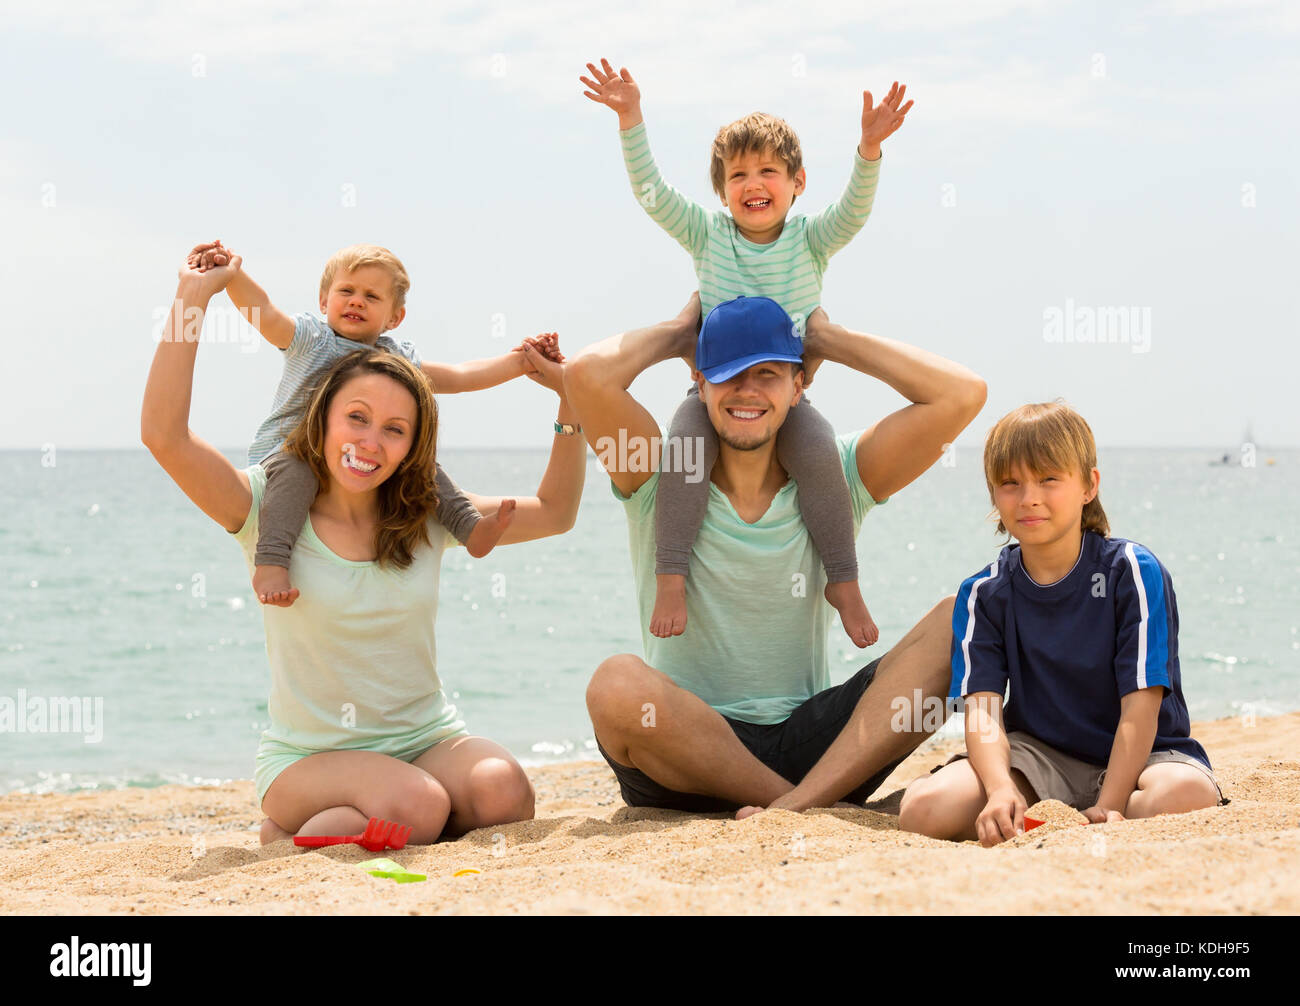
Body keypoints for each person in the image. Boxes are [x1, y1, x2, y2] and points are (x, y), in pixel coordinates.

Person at [141, 249, 585, 844]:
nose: (371, 441)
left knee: (504, 791)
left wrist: (570, 403)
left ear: (412, 445)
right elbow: (163, 435)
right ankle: (329, 816)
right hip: (307, 760)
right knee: (419, 805)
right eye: (356, 417)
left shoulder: (420, 513)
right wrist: (192, 300)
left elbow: (555, 513)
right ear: (322, 418)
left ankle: (342, 826)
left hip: (424, 742)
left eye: (395, 429)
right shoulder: (265, 507)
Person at [563, 293, 986, 818]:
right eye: (727, 374)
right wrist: (677, 334)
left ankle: (793, 804)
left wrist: (832, 340)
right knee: (616, 685)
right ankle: (794, 806)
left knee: (962, 618)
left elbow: (963, 395)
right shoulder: (656, 474)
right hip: (686, 755)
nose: (747, 391)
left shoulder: (839, 476)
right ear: (699, 382)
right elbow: (585, 376)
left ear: (798, 385)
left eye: (767, 374)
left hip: (814, 752)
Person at [579, 57, 913, 647]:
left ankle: (844, 580)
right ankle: (672, 573)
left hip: (787, 400)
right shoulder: (708, 234)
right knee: (683, 457)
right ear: (722, 190)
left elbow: (854, 213)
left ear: (797, 182)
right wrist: (632, 119)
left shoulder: (811, 239)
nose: (752, 184)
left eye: (767, 171)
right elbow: (654, 197)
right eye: (737, 175)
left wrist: (867, 150)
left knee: (822, 464)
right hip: (712, 392)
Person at [898, 402, 1223, 847]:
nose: (1029, 497)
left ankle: (1101, 810)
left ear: (1089, 485)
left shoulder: (1131, 570)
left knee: (1181, 795)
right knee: (924, 810)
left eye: (1049, 479)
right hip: (1041, 756)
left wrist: (1110, 803)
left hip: (1146, 754)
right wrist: (1000, 790)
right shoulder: (985, 592)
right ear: (993, 493)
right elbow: (983, 712)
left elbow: (1141, 706)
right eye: (1010, 483)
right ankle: (1038, 809)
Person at [185, 239, 563, 608]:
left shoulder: (396, 359)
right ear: (323, 301)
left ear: (394, 318)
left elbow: (460, 377)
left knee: (424, 466)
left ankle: (469, 527)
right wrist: (231, 274)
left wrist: (521, 362)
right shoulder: (311, 340)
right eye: (346, 290)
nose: (356, 301)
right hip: (292, 452)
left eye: (372, 296)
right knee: (297, 472)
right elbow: (262, 310)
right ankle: (270, 563)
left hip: (360, 457)